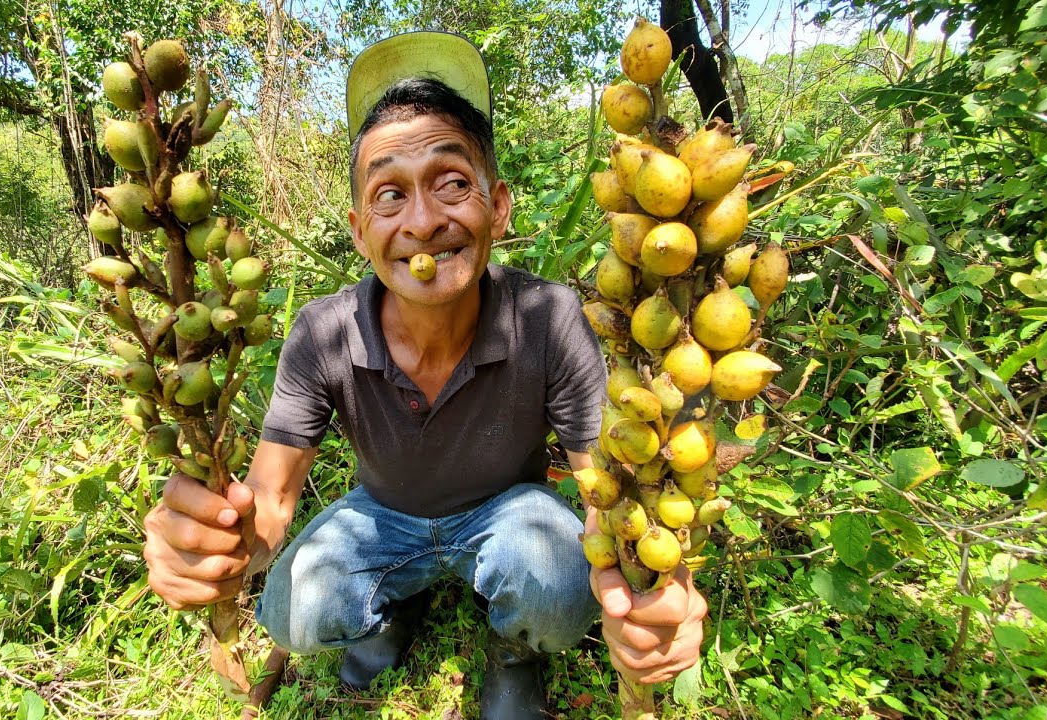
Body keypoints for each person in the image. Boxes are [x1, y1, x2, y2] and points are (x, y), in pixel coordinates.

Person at [143, 31, 706, 718]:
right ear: (359, 230)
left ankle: (515, 650)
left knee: (561, 585)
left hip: (508, 513)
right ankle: (390, 611)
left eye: (451, 183)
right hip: (385, 518)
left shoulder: (549, 314)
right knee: (290, 609)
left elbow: (604, 491)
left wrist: (651, 585)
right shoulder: (324, 330)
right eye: (389, 194)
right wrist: (214, 543)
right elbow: (271, 501)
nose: (423, 221)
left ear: (495, 206)